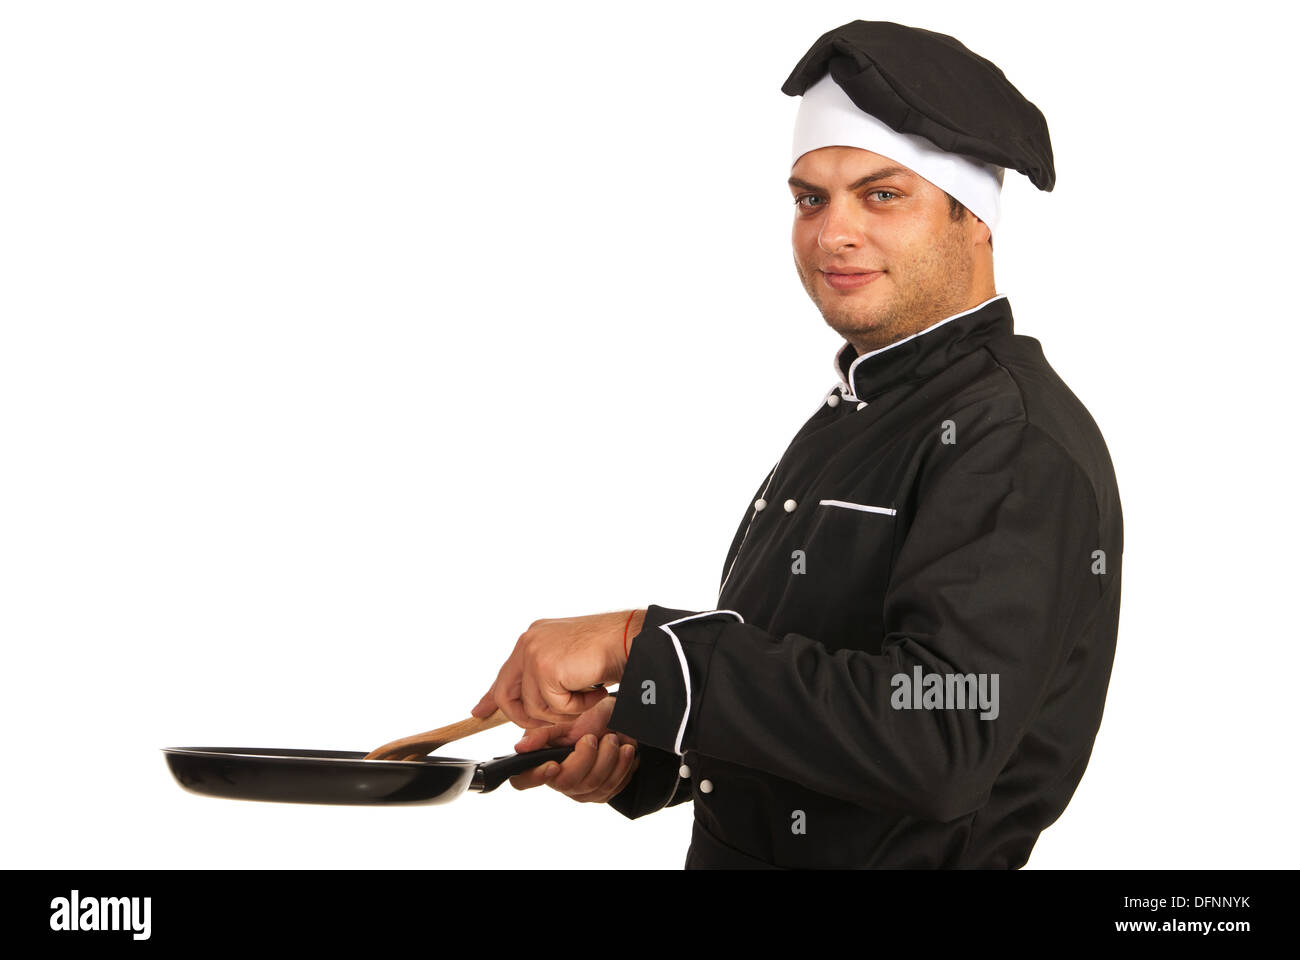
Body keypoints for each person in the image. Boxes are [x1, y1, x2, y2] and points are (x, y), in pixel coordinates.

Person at [470, 19, 1122, 868]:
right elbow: (818, 690)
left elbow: (939, 735)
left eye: (881, 195)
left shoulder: (1009, 439)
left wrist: (643, 640)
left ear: (975, 219)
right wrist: (651, 741)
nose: (831, 233)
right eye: (810, 198)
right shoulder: (858, 409)